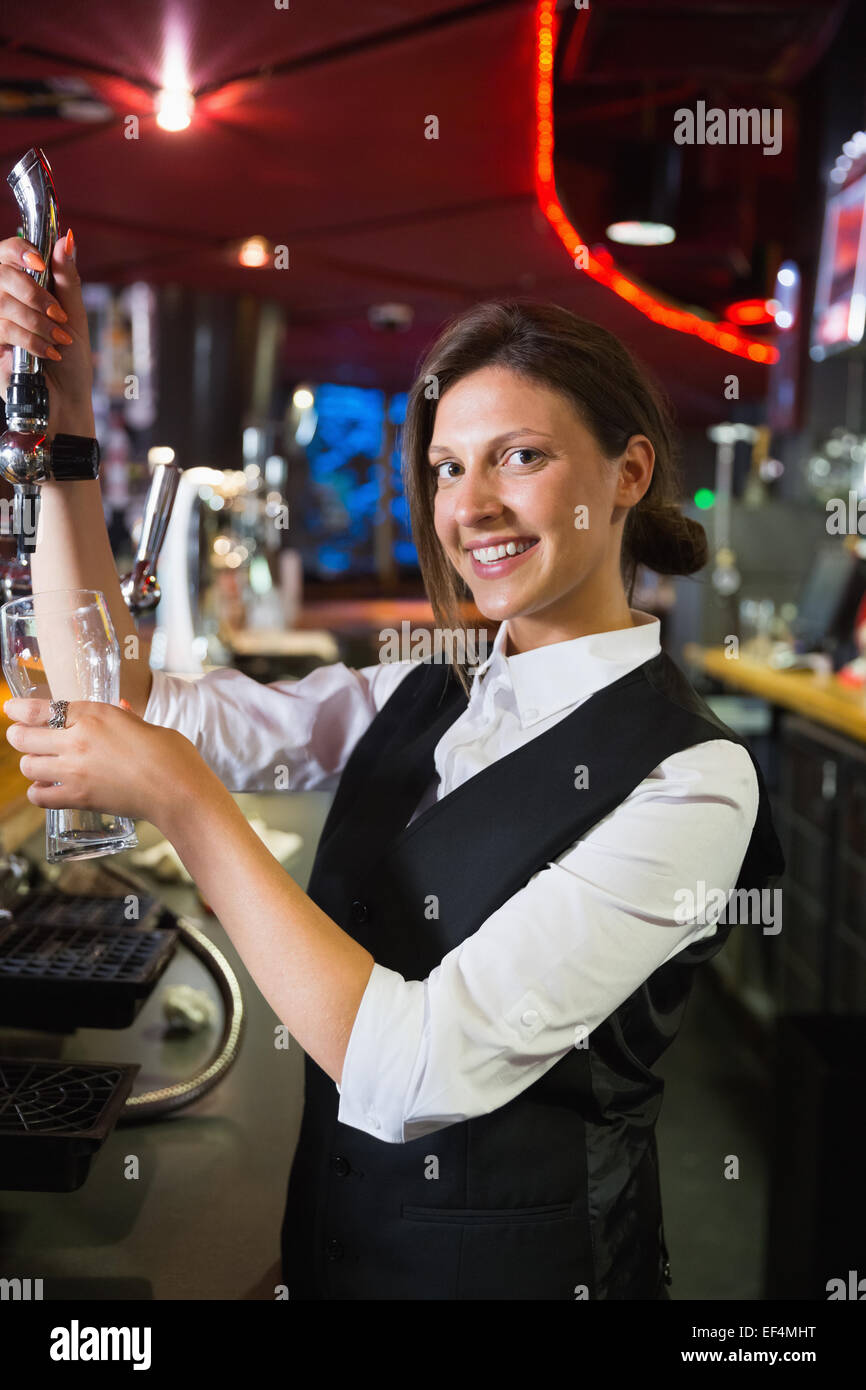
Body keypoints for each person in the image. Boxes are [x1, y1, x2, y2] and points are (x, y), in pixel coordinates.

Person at [0, 229, 784, 1300]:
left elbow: (415, 1068)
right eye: (447, 467)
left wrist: (184, 802)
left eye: (521, 455)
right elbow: (116, 696)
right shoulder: (417, 690)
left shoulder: (692, 778)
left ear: (627, 469)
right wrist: (70, 430)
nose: (469, 508)